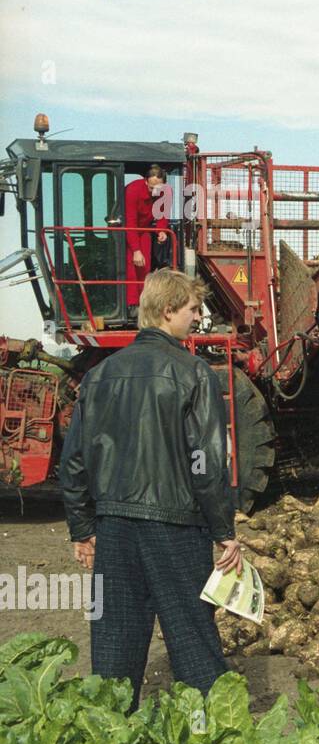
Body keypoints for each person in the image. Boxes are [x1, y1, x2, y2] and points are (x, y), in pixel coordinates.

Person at [60, 269, 240, 712]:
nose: (198, 318)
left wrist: (83, 528)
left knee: (113, 648)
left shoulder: (100, 377)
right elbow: (207, 463)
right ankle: (212, 739)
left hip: (115, 529)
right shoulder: (195, 374)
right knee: (194, 642)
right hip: (175, 528)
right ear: (167, 311)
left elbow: (75, 461)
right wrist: (224, 530)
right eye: (193, 309)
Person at [122, 165, 171, 309]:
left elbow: (162, 213)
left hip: (144, 229)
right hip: (128, 228)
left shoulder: (166, 193)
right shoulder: (132, 191)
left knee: (145, 266)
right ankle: (131, 305)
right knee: (131, 266)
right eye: (151, 188)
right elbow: (129, 222)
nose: (154, 192)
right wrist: (136, 250)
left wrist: (162, 230)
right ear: (145, 181)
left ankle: (142, 303)